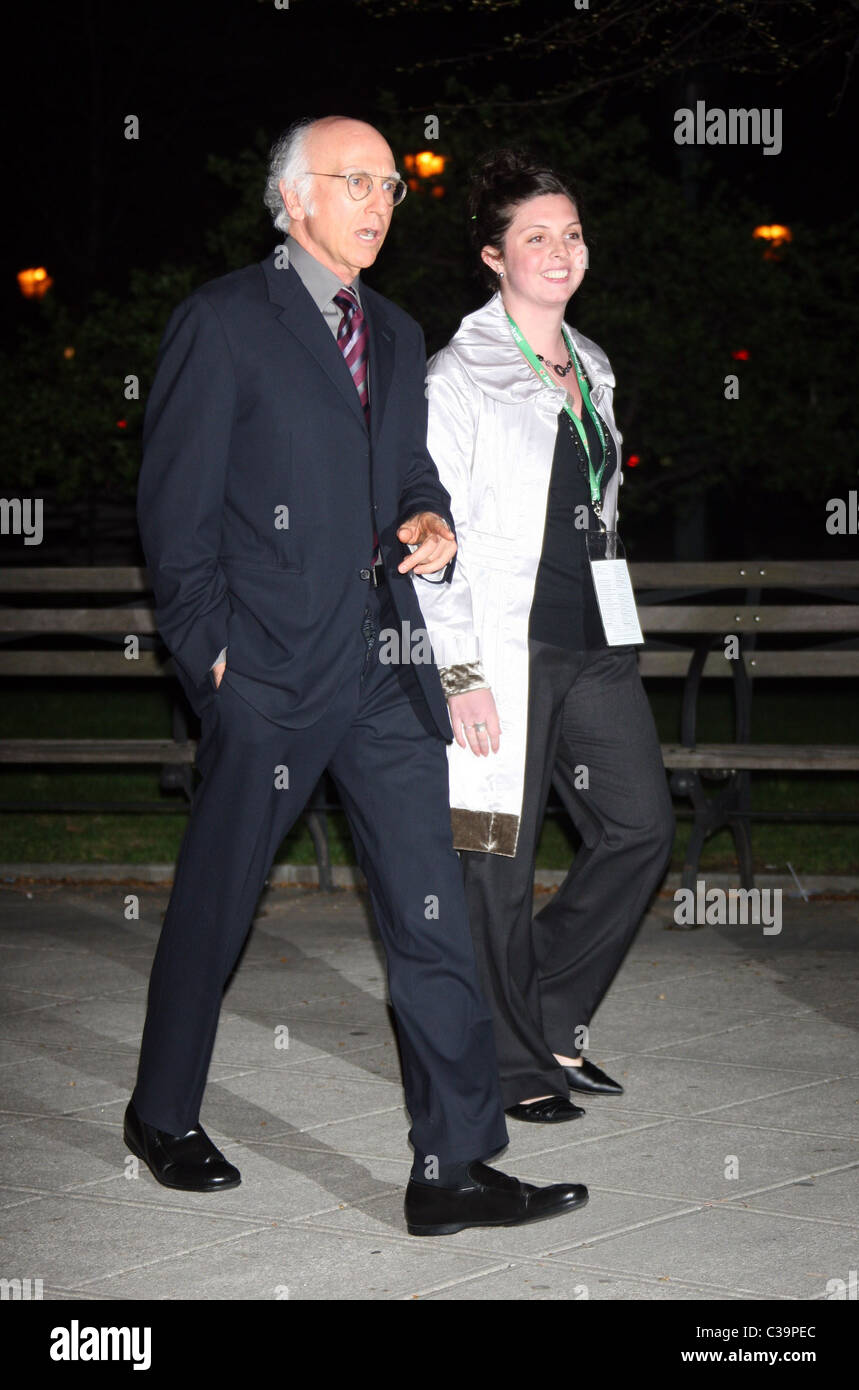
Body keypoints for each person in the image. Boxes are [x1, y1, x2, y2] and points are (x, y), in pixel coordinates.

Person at [127, 117, 589, 1236]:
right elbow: (173, 516)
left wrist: (423, 517)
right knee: (218, 903)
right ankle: (161, 1112)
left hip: (384, 667)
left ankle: (453, 1165)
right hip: (271, 674)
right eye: (355, 181)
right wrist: (215, 658)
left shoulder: (390, 329)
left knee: (429, 914)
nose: (380, 200)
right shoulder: (224, 321)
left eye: (388, 183)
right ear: (294, 199)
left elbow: (406, 473)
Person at [413, 149, 676, 1124]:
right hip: (500, 651)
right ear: (493, 256)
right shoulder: (458, 375)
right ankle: (511, 1055)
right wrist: (461, 674)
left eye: (569, 232)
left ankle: (551, 1006)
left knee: (640, 826)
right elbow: (427, 540)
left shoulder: (592, 363)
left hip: (592, 648)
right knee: (492, 850)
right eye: (535, 236)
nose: (559, 250)